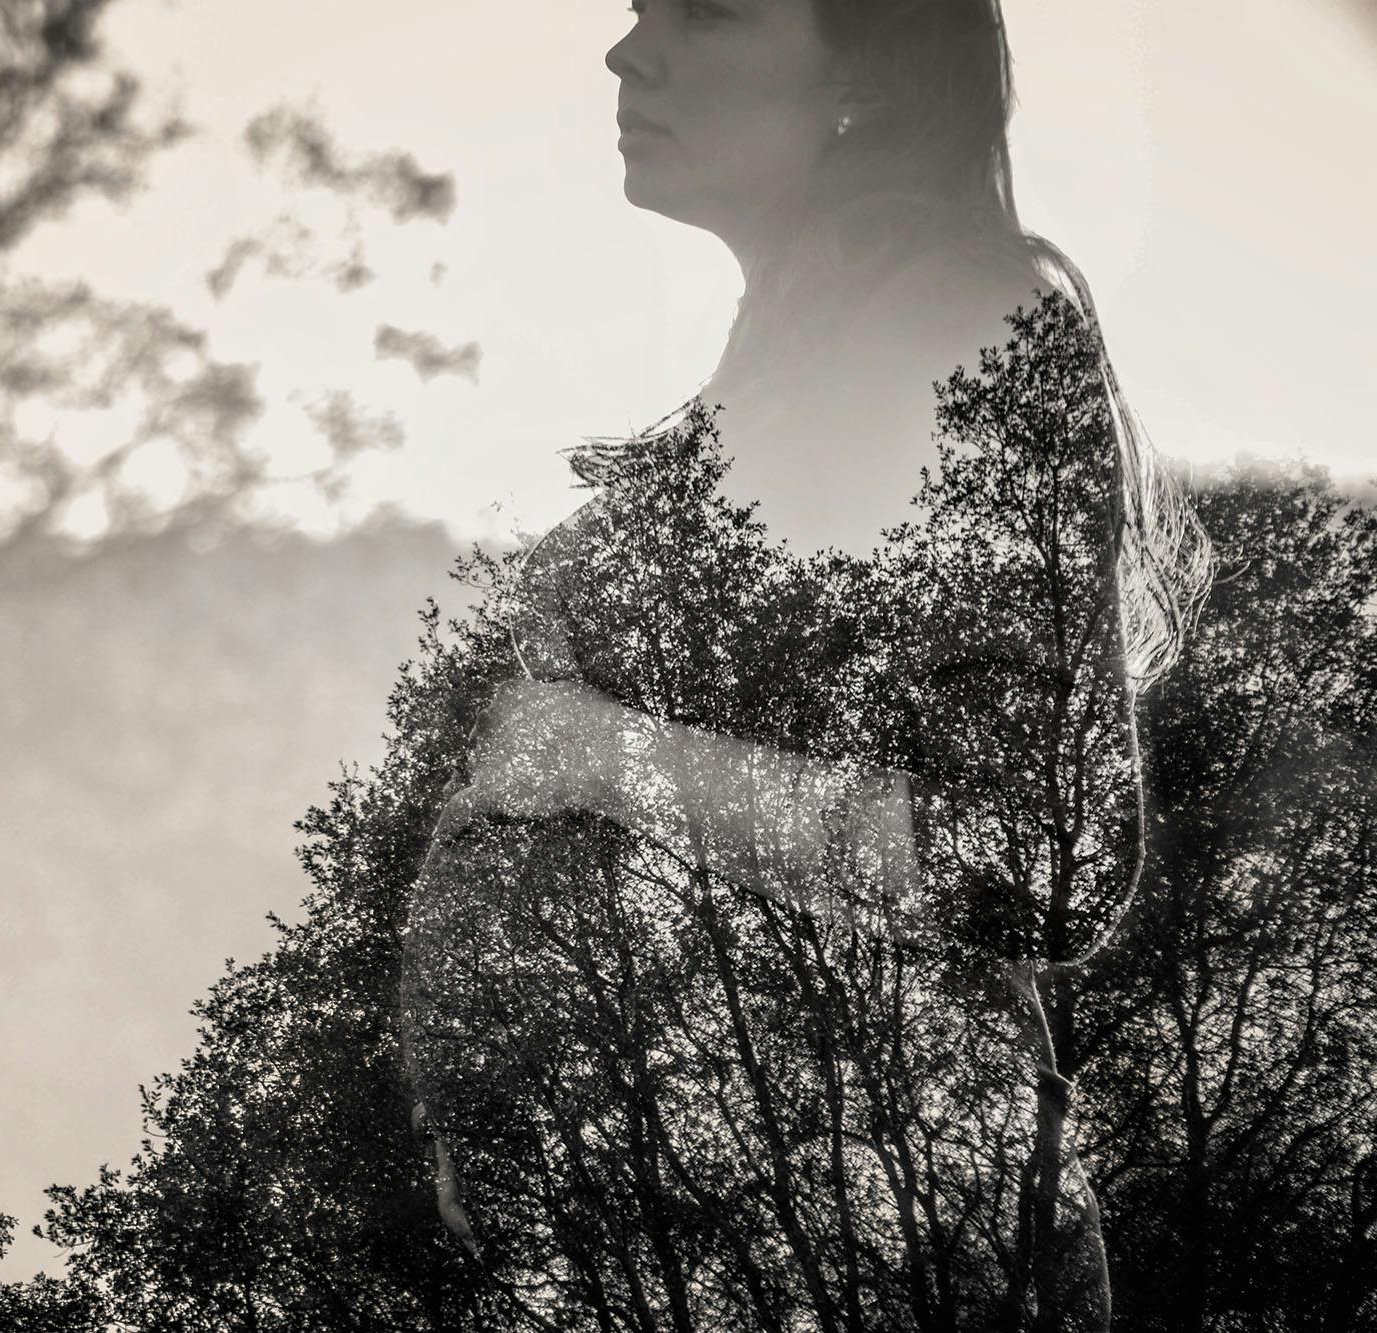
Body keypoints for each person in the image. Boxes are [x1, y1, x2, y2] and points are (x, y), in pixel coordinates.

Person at [396, 2, 1213, 1329]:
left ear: (871, 78)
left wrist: (611, 758)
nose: (630, 51)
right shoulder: (786, 364)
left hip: (888, 1256)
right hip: (698, 1244)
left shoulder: (962, 326)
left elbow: (1040, 857)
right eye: (639, 8)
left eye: (704, 12)